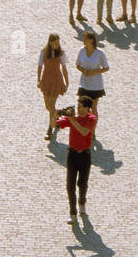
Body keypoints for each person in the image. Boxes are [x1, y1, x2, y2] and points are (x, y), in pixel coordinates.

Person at [57, 95, 97, 225]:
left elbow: (84, 131)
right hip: (72, 154)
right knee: (70, 185)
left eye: (80, 106)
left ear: (87, 108)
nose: (77, 108)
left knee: (82, 184)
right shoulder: (73, 118)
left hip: (85, 155)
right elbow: (55, 124)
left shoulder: (91, 119)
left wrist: (72, 120)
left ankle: (82, 203)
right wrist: (54, 113)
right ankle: (73, 213)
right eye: (77, 106)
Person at [37, 33, 68, 140]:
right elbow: (40, 66)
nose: (57, 44)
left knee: (51, 106)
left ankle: (50, 129)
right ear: (50, 42)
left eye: (58, 42)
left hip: (56, 80)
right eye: (55, 42)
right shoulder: (44, 52)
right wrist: (38, 80)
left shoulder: (61, 53)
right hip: (46, 79)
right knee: (48, 106)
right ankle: (57, 115)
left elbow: (64, 68)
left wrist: (66, 82)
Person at [75, 30, 108, 110]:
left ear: (91, 40)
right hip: (84, 84)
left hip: (95, 85)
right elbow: (77, 65)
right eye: (83, 38)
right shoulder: (81, 50)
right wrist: (83, 70)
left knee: (93, 108)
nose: (84, 40)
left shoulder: (100, 53)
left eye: (86, 38)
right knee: (81, 107)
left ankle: (94, 122)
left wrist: (94, 72)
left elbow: (106, 68)